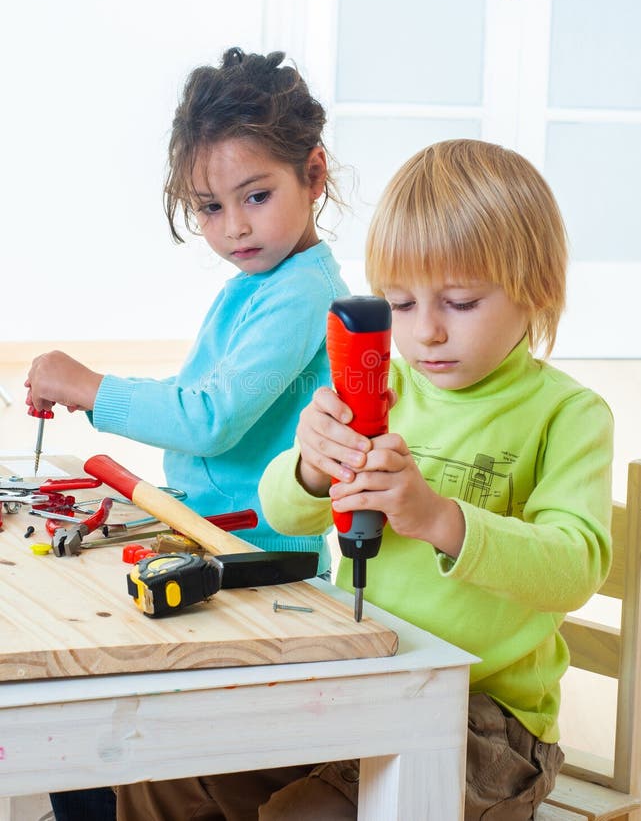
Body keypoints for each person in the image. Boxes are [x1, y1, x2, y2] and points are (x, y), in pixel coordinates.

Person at [119, 138, 614, 821]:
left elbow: (574, 568)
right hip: (361, 676)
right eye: (401, 304)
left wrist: (441, 519)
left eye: (461, 302)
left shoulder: (566, 414)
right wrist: (310, 470)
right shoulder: (377, 386)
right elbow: (285, 513)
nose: (428, 332)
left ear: (539, 291)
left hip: (485, 722)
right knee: (161, 767)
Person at [26, 46, 348, 573]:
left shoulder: (302, 293)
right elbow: (198, 397)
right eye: (211, 207)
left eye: (257, 196)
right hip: (212, 535)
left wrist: (91, 387)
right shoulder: (261, 283)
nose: (235, 227)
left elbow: (209, 420)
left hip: (262, 558)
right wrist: (92, 393)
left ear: (313, 174)